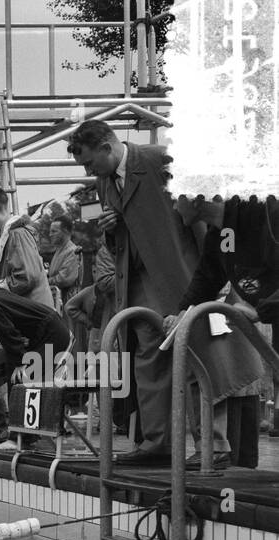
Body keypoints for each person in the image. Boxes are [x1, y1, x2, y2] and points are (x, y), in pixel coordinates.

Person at [68, 119, 198, 465]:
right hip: (137, 278)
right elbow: (121, 237)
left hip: (175, 271)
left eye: (89, 161)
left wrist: (214, 268)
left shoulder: (159, 160)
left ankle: (213, 447)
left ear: (107, 147)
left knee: (195, 353)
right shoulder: (104, 181)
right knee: (147, 353)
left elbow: (201, 213)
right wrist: (112, 231)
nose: (88, 169)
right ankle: (158, 443)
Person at [168, 194, 279, 469]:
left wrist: (261, 310)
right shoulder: (221, 233)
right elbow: (207, 277)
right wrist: (182, 313)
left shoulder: (262, 213)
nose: (171, 206)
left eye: (174, 197)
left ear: (194, 198)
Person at [0, 266, 72, 443]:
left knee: (22, 379)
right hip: (50, 332)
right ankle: (19, 435)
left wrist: (20, 362)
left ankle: (21, 439)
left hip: (52, 335)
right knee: (15, 376)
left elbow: (7, 332)